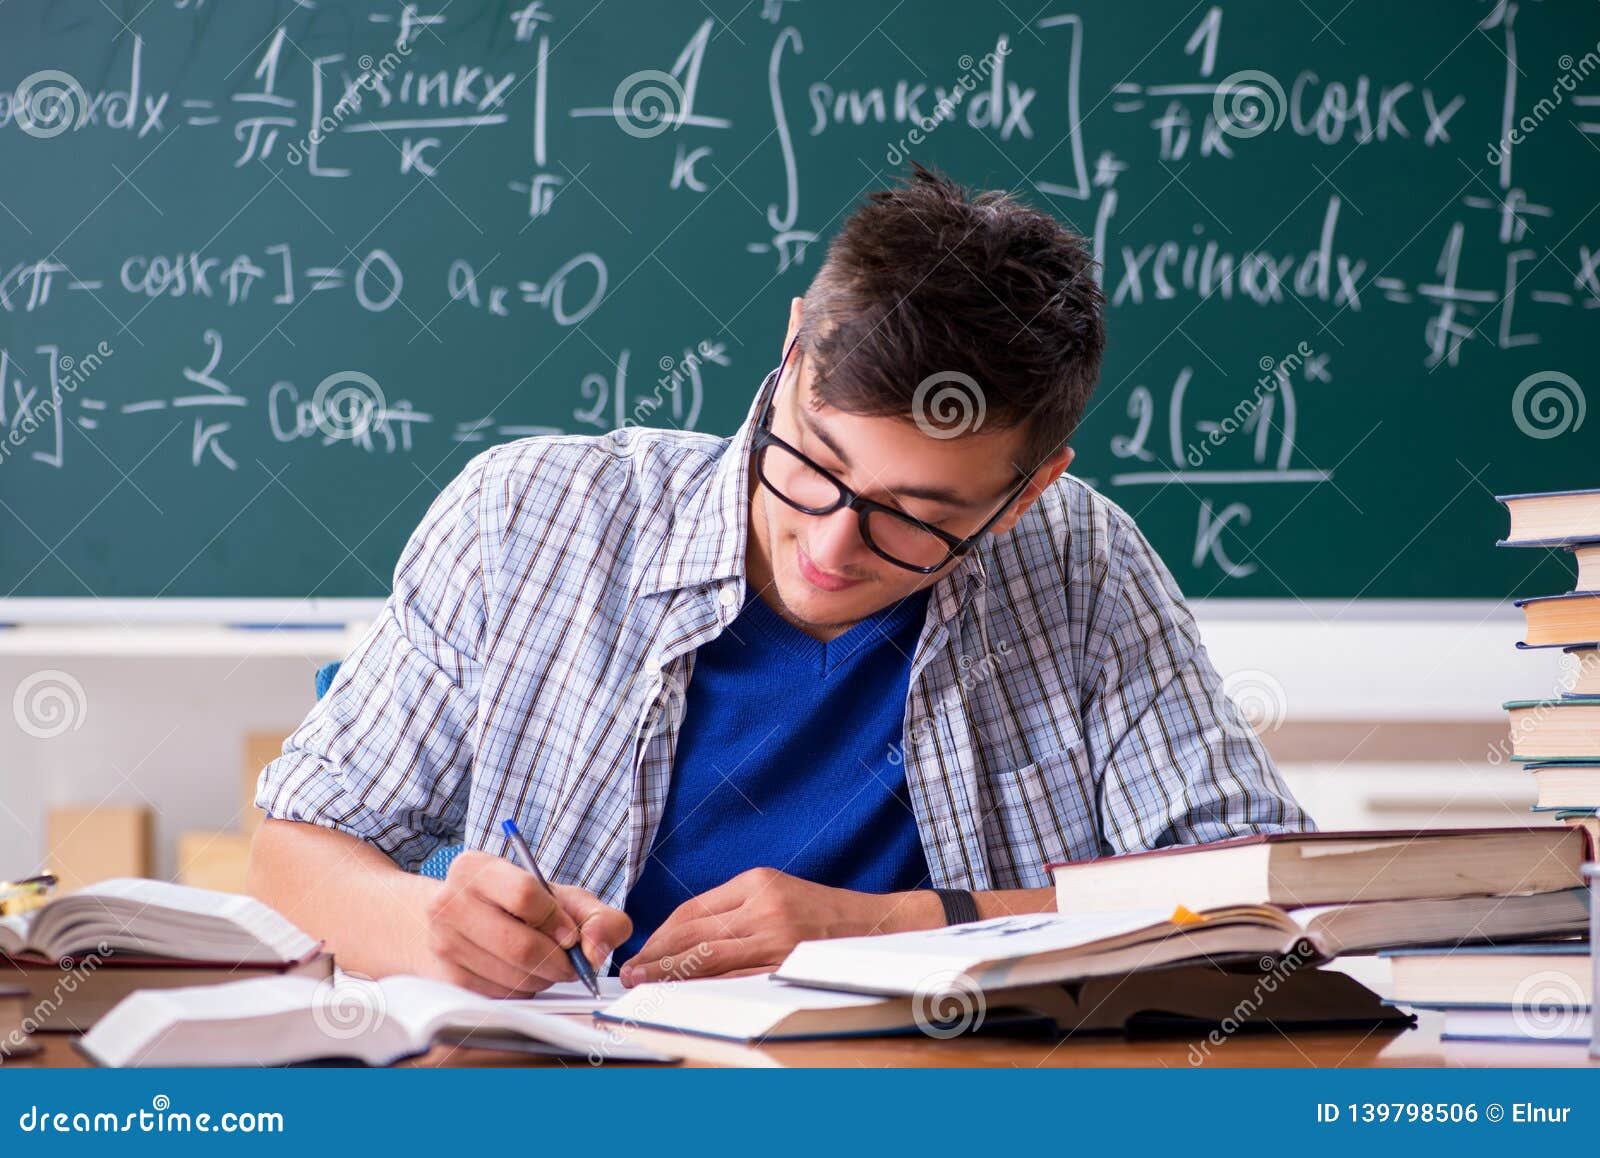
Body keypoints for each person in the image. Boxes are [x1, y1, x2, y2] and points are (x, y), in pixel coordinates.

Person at [248, 164, 1312, 997]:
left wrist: (898, 925)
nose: (832, 548)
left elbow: (1260, 899)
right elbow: (294, 850)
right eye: (812, 462)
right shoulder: (526, 517)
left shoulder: (1082, 563)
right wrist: (424, 926)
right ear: (794, 342)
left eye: (918, 517)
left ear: (1027, 491)